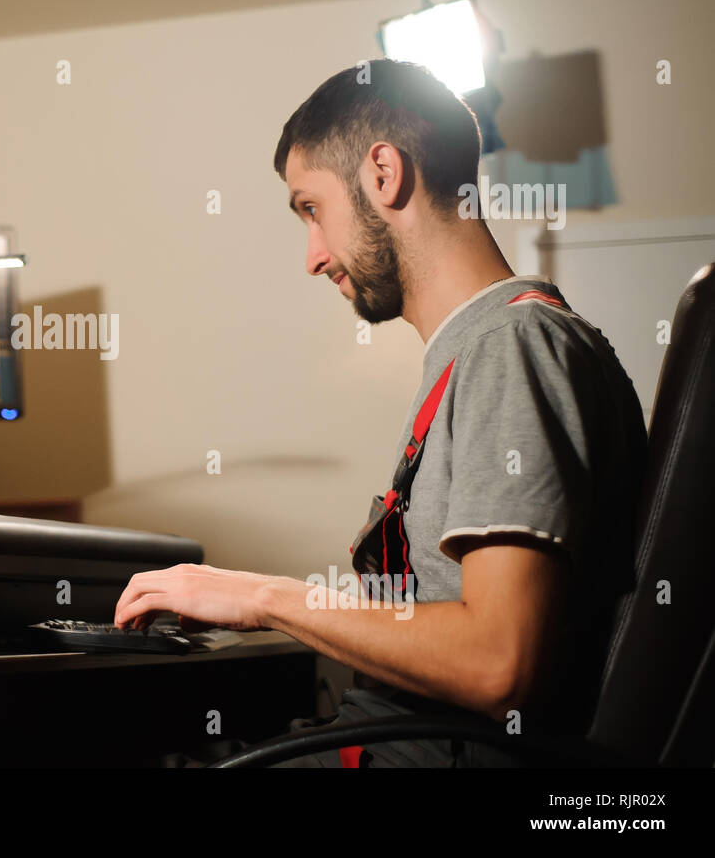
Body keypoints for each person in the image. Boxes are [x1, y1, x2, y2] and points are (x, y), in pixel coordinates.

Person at [114, 59, 647, 767]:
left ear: (383, 174)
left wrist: (263, 597)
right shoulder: (480, 352)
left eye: (311, 208)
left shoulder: (514, 345)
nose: (312, 256)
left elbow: (499, 663)